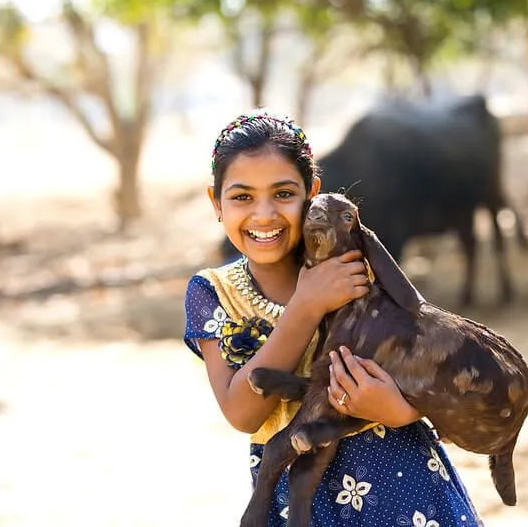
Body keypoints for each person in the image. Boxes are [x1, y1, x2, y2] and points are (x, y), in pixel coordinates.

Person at [183, 110, 484, 526]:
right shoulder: (213, 292)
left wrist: (403, 411)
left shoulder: (354, 266)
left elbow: (423, 359)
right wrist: (307, 306)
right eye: (242, 197)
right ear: (216, 202)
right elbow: (242, 412)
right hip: (299, 504)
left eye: (284, 194)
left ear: (313, 194)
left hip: (405, 487)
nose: (265, 214)